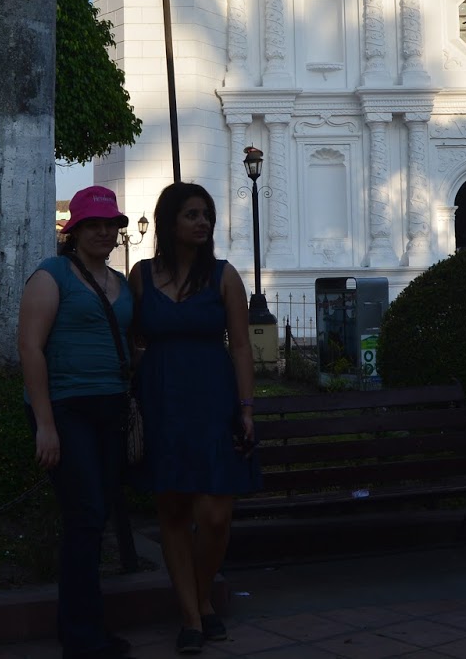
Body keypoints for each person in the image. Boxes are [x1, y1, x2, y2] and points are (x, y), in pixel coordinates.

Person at [129, 182, 261, 656]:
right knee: (173, 510)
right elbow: (132, 340)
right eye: (191, 214)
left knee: (216, 513)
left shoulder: (225, 277)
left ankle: (202, 596)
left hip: (213, 400)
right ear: (169, 222)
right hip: (162, 400)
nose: (202, 222)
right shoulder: (141, 276)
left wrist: (246, 408)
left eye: (206, 214)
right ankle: (191, 615)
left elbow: (243, 346)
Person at [17, 186, 136, 659]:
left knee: (96, 516)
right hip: (67, 408)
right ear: (75, 230)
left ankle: (87, 628)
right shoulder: (52, 276)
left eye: (111, 224)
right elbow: (29, 347)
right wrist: (45, 424)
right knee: (85, 516)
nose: (105, 232)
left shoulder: (120, 283)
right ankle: (82, 637)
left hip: (111, 407)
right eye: (95, 224)